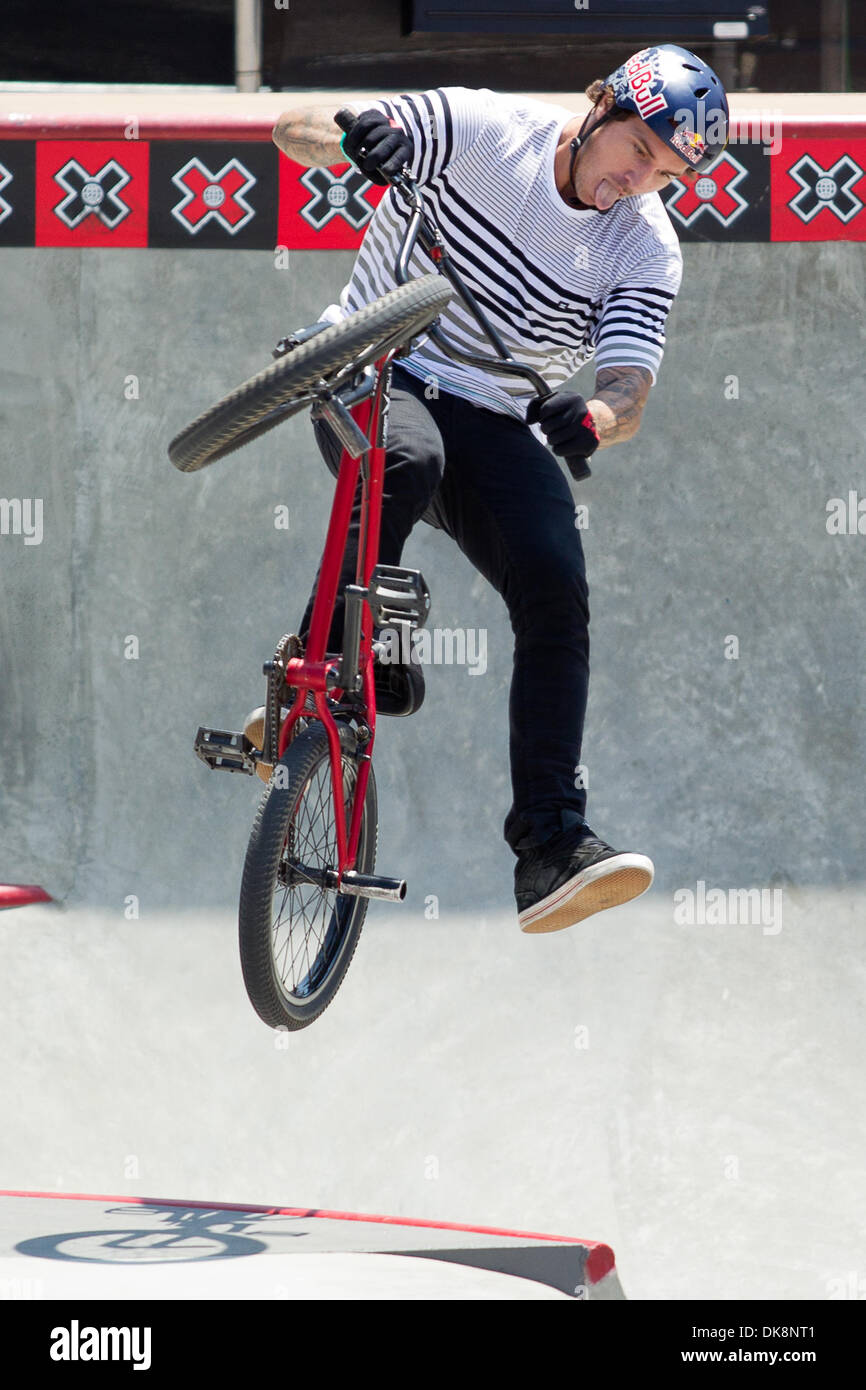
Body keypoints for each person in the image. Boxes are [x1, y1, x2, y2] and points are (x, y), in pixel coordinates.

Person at [267, 44, 729, 933]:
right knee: (406, 461)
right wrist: (355, 137)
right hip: (375, 363)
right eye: (634, 149)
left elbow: (630, 388)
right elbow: (296, 129)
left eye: (663, 173)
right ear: (596, 106)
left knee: (556, 584)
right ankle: (328, 662)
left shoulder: (645, 245)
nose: (635, 180)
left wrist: (595, 416)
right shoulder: (483, 129)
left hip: (494, 414)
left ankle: (551, 844)